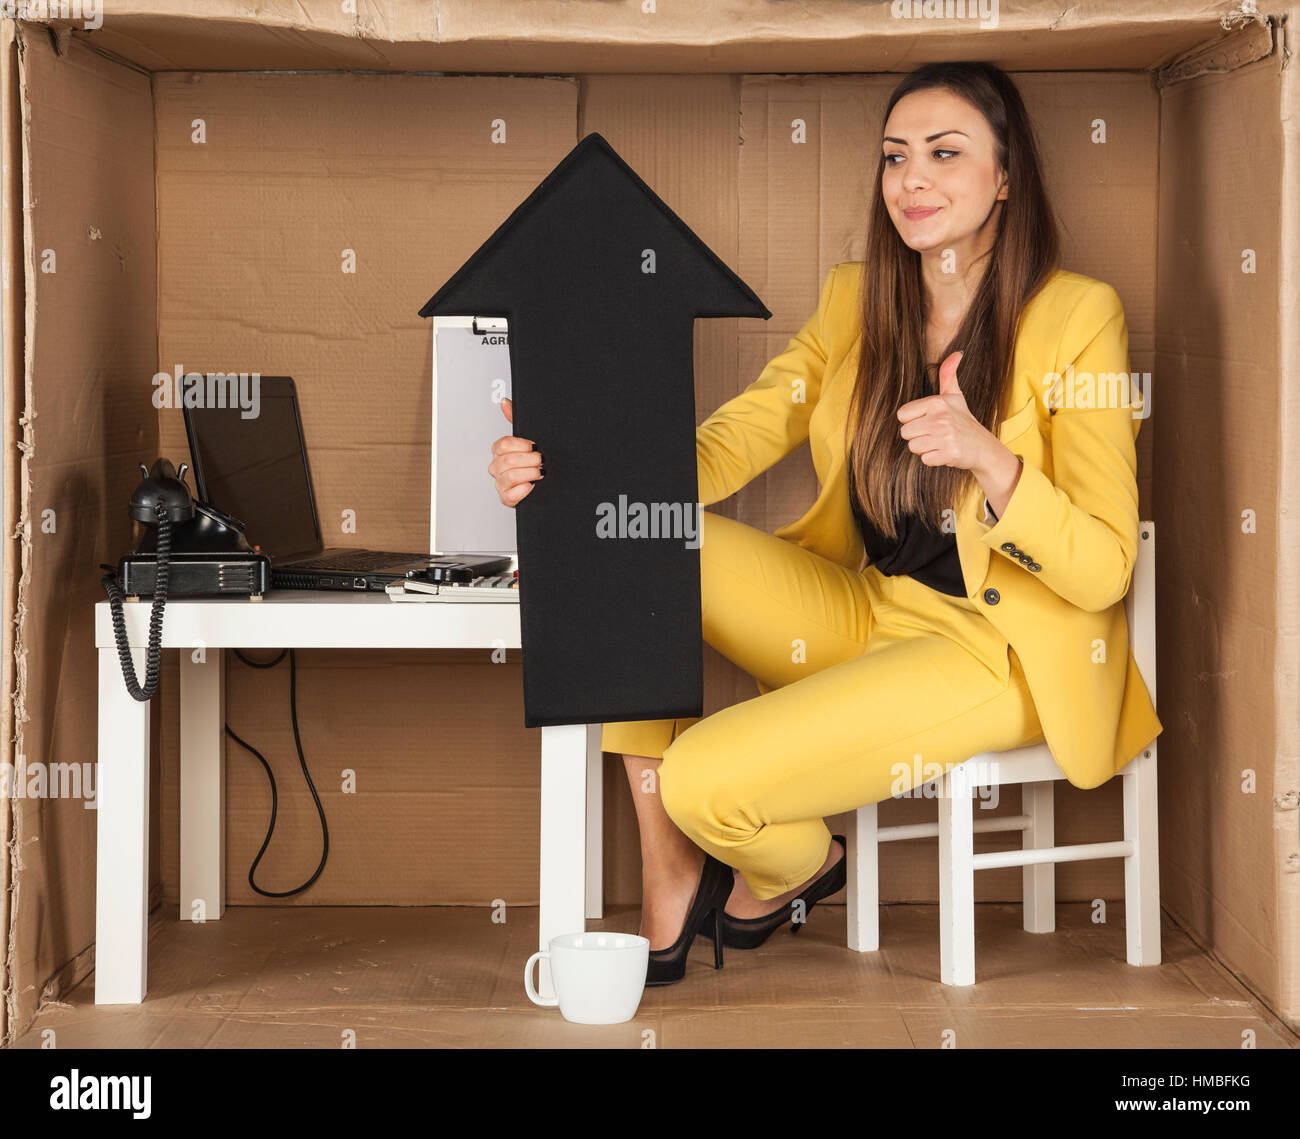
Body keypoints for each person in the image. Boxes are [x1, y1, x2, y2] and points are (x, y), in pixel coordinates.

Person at [489, 61, 1162, 987]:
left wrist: (990, 459)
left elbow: (1105, 567)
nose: (911, 179)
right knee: (631, 541)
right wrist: (569, 475)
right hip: (865, 610)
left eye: (944, 153)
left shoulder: (1079, 315)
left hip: (991, 648)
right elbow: (740, 435)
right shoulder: (860, 299)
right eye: (894, 158)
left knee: (702, 780)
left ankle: (798, 864)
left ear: (1007, 176)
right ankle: (670, 869)